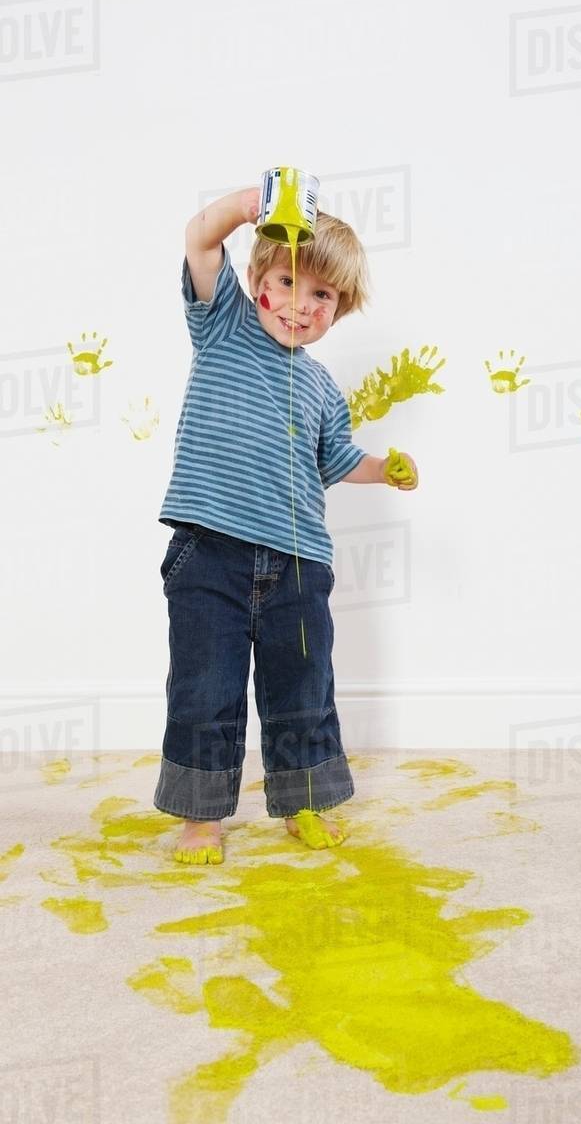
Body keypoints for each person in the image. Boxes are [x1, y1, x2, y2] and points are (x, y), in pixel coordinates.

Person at [152, 185, 419, 861]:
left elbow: (338, 460)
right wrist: (242, 209)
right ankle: (201, 816)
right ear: (254, 281)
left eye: (322, 296)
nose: (301, 305)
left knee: (301, 686)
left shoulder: (325, 389)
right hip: (208, 552)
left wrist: (382, 467)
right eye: (285, 283)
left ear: (340, 308)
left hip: (298, 564)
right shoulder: (224, 325)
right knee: (204, 687)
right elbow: (198, 239)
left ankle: (302, 799)